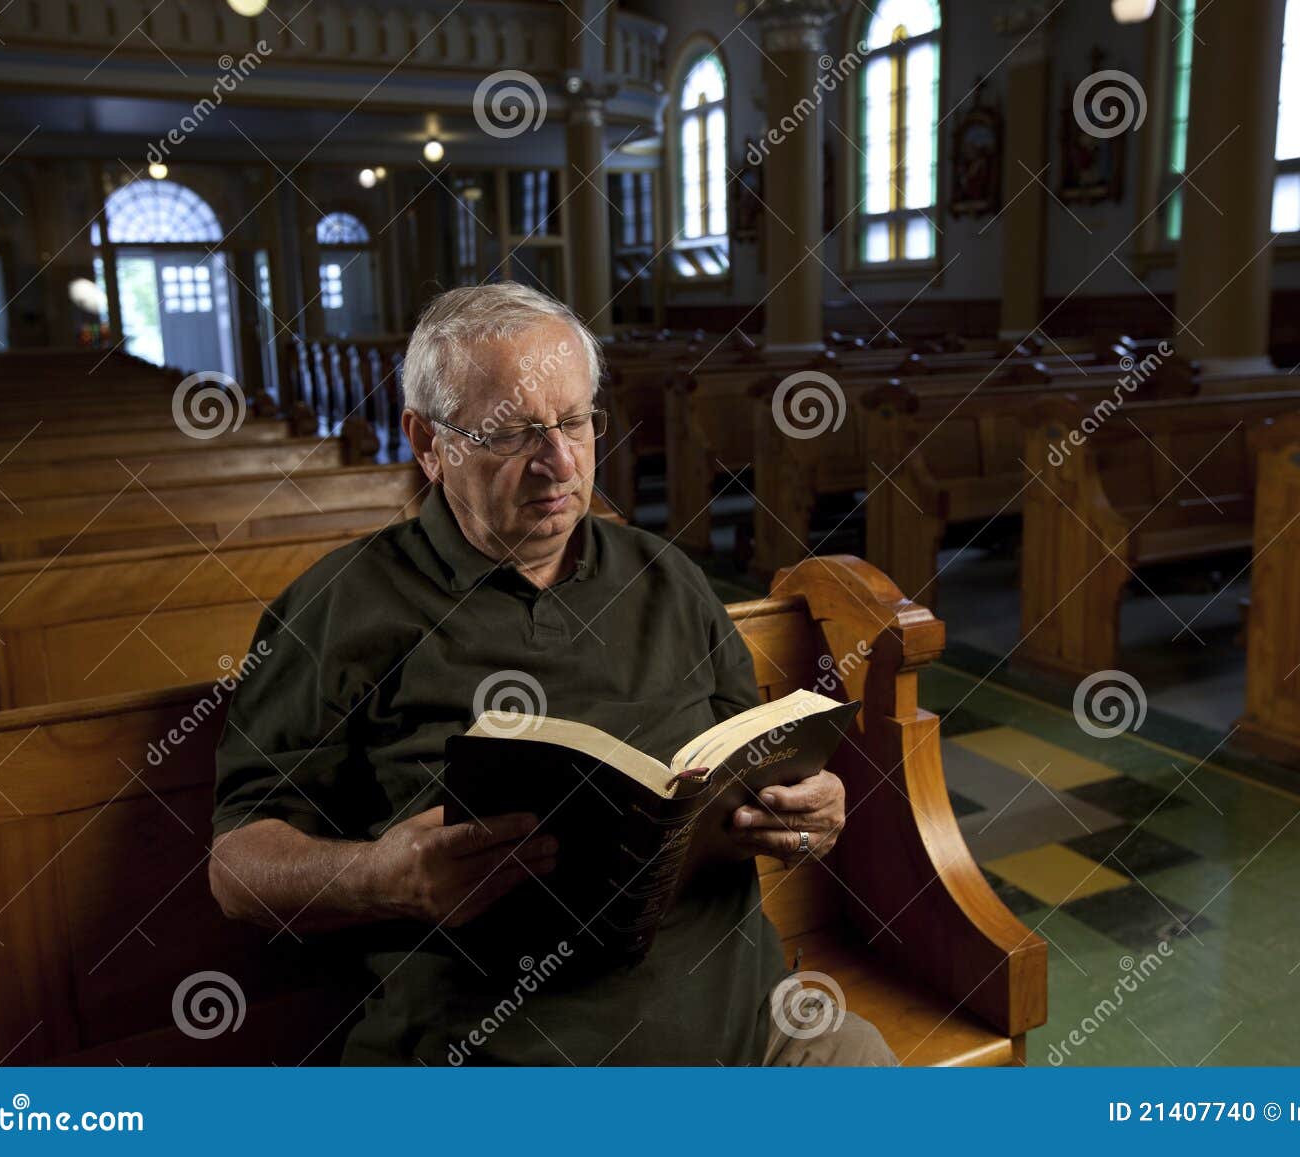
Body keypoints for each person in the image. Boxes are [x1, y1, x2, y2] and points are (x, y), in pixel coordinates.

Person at [208, 282, 895, 1066]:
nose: (560, 462)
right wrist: (379, 875)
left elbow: (757, 764)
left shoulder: (668, 577)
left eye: (575, 421)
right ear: (429, 443)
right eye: (513, 433)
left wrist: (811, 807)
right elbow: (237, 868)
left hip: (751, 1038)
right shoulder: (336, 608)